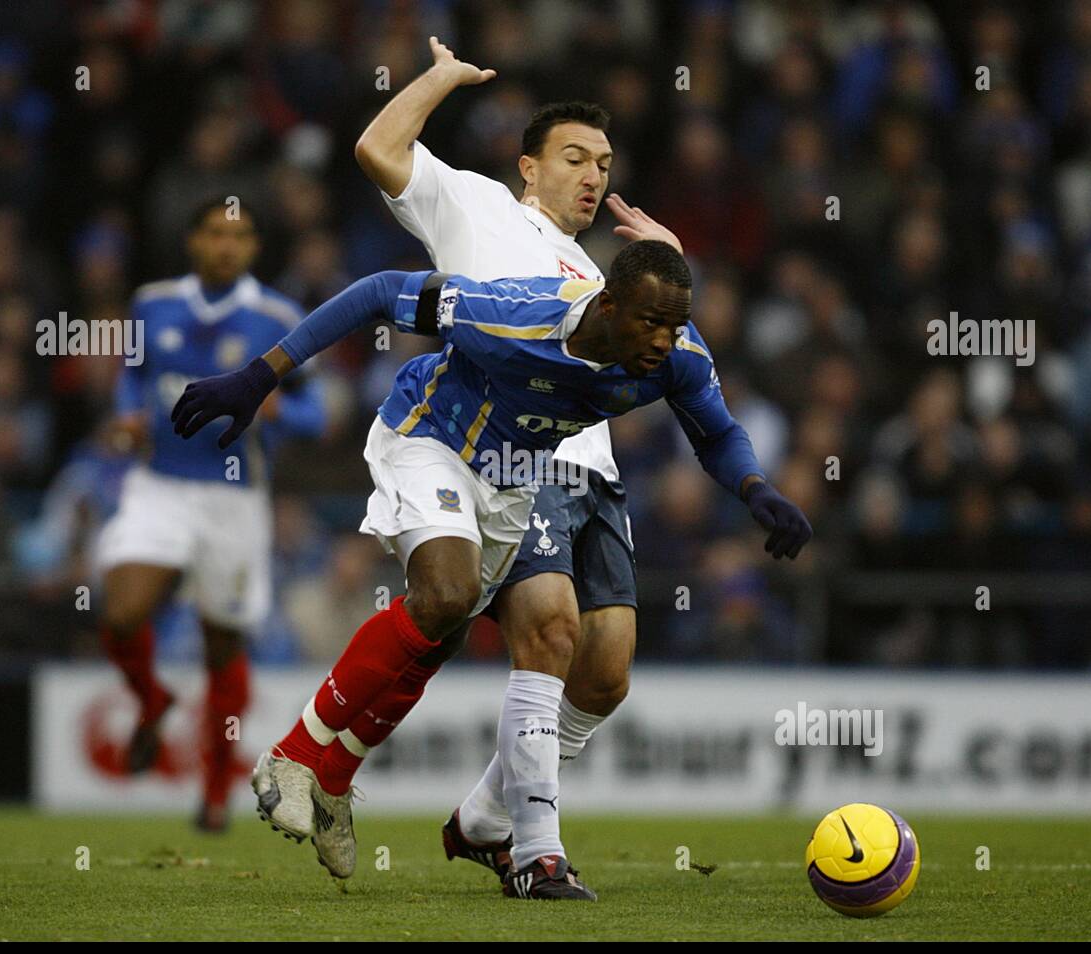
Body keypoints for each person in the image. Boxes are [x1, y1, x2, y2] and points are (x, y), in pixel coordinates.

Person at [172, 239, 812, 898]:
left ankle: (333, 778)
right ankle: (295, 756)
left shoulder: (675, 358)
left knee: (440, 633)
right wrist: (261, 374)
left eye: (674, 324)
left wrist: (756, 489)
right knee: (447, 592)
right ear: (608, 303)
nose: (662, 339)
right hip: (430, 439)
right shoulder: (515, 316)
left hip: (511, 482)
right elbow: (378, 292)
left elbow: (716, 434)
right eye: (649, 321)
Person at [349, 36, 711, 881]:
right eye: (574, 157)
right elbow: (377, 150)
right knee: (548, 634)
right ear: (528, 168)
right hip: (517, 460)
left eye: (605, 163)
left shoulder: (600, 275)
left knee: (607, 673)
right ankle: (536, 852)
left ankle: (481, 818)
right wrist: (438, 80)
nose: (593, 176)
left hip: (598, 474)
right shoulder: (474, 205)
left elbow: (680, 359)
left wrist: (672, 267)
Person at [96, 198, 324, 831]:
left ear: (254, 248)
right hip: (160, 484)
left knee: (221, 643)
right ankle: (151, 701)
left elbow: (319, 413)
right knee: (119, 612)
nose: (227, 245)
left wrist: (284, 414)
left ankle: (216, 789)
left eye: (241, 235)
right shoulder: (153, 302)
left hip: (235, 497)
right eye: (215, 233)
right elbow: (131, 376)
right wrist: (127, 415)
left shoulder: (277, 318)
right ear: (192, 240)